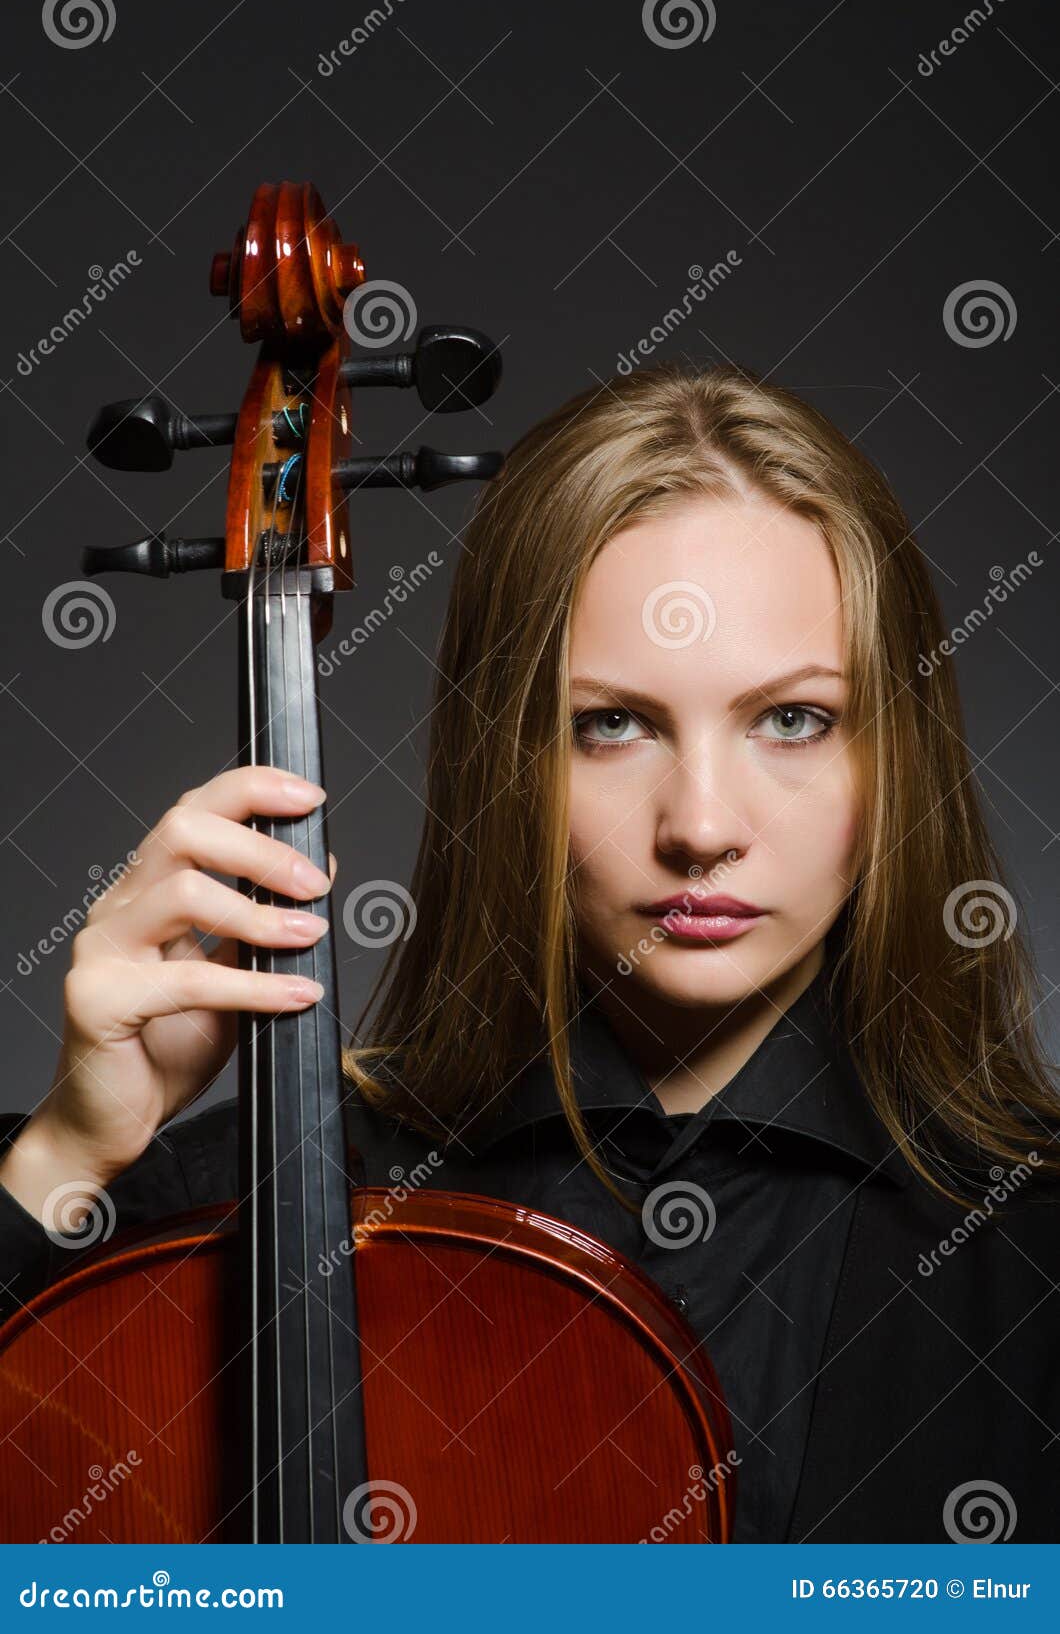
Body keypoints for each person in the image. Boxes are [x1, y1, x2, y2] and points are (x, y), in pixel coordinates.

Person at [2, 362, 1059, 1543]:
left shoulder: (1030, 1254)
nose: (702, 825)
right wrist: (67, 1154)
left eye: (792, 719)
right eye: (610, 724)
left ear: (891, 753)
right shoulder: (209, 1236)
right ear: (506, 761)